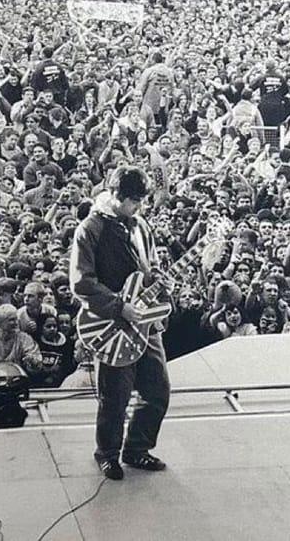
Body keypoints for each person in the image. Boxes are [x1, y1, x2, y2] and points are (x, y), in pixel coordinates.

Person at [70, 165, 172, 481]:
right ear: (115, 195)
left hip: (144, 323)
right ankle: (108, 453)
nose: (139, 208)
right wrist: (118, 307)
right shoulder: (90, 229)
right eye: (134, 201)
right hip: (112, 325)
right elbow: (81, 282)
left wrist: (158, 280)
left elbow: (149, 266)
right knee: (115, 398)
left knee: (158, 390)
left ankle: (137, 449)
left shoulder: (140, 225)